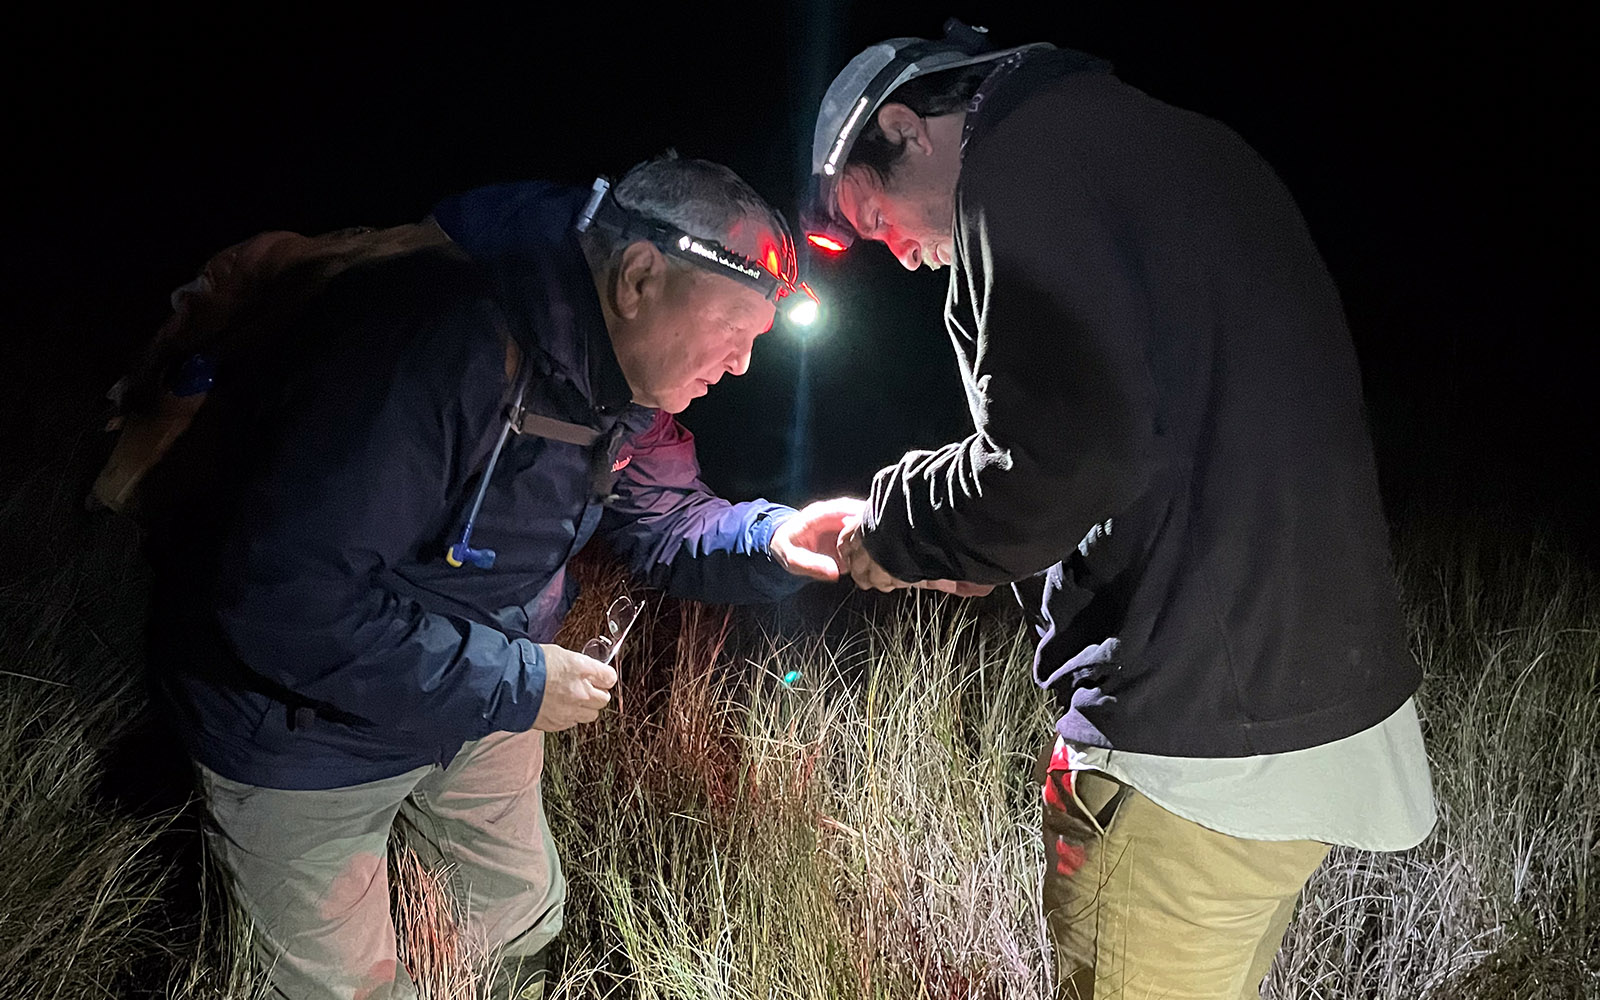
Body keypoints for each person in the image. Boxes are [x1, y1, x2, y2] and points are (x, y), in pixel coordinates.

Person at [803, 22, 1437, 999]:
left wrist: (886, 531)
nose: (887, 248)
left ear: (907, 128)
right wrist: (993, 535)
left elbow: (1063, 457)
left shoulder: (1021, 169)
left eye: (866, 211)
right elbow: (1151, 434)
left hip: (1194, 743)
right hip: (1312, 703)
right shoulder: (1178, 144)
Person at [144, 156, 862, 1000]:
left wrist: (776, 539)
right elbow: (285, 603)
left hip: (477, 703)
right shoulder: (428, 346)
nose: (743, 364)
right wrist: (519, 682)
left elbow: (669, 521)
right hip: (299, 733)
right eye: (737, 329)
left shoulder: (622, 394)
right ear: (638, 278)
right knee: (340, 986)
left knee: (517, 920)